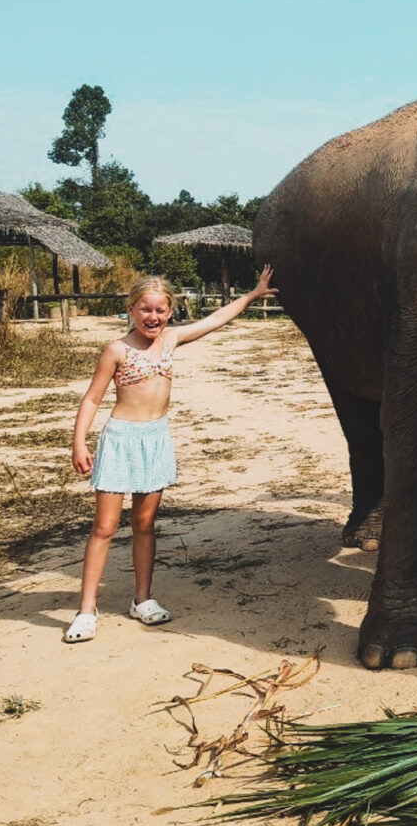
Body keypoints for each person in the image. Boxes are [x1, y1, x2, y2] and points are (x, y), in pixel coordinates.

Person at [63, 267, 278, 642]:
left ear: (171, 311)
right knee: (104, 528)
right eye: (145, 309)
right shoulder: (117, 350)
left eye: (161, 310)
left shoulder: (172, 340)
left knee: (145, 525)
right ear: (131, 310)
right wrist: (79, 442)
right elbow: (93, 397)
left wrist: (252, 294)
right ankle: (86, 610)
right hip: (121, 440)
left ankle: (142, 600)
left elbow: (215, 320)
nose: (153, 317)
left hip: (156, 439)